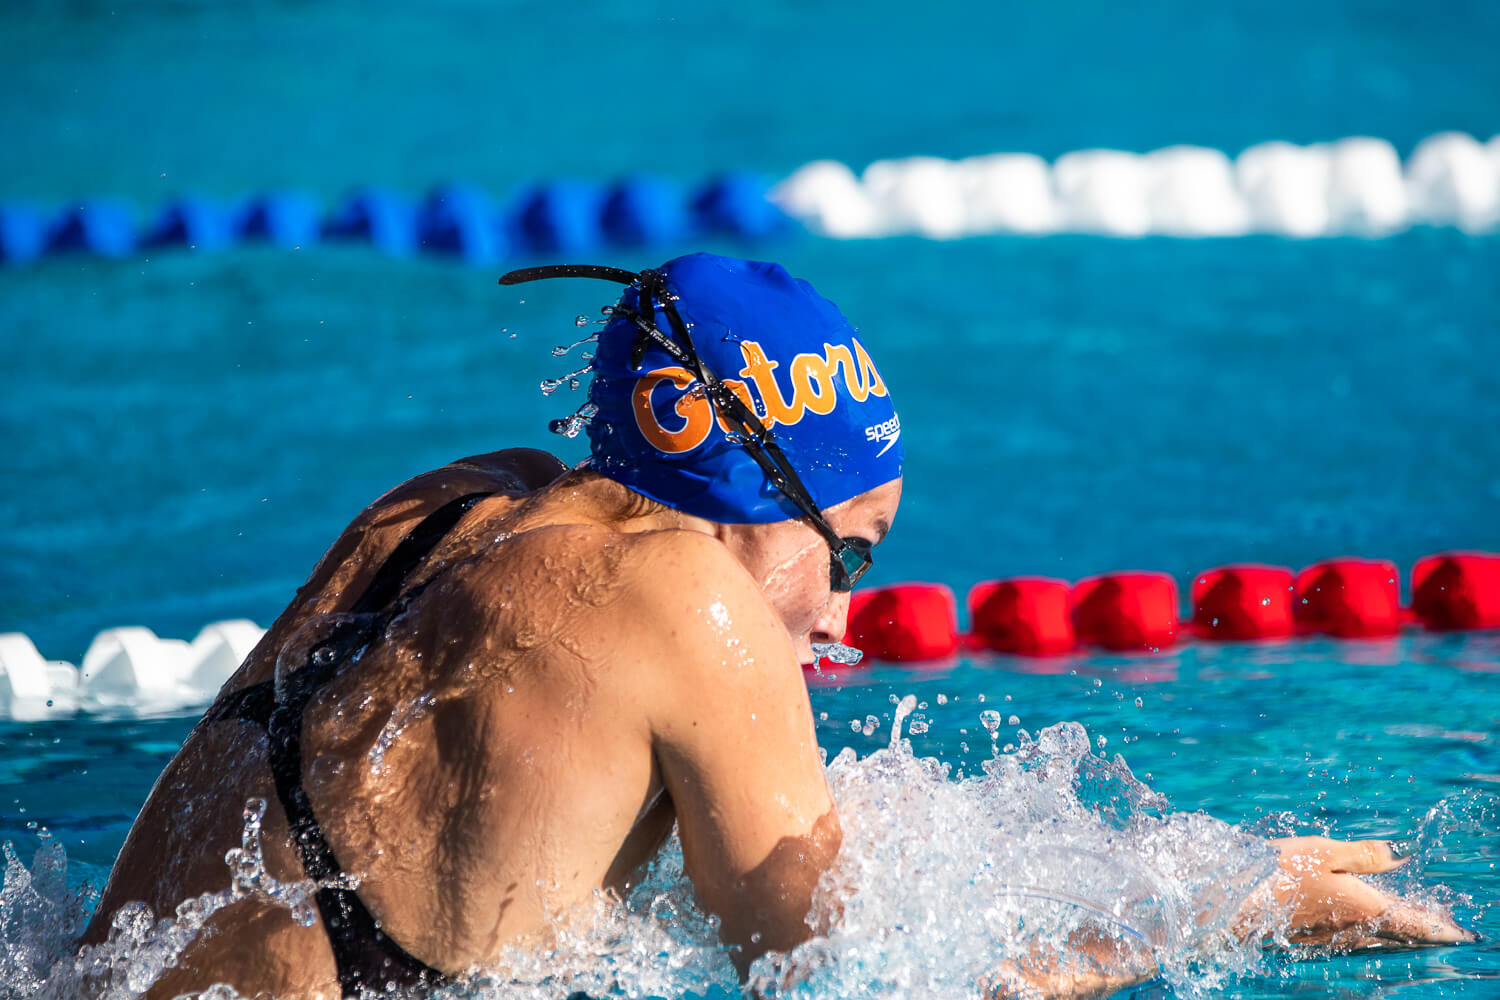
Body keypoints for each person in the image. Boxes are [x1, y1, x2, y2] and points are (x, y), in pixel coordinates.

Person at [80, 254, 1468, 1000]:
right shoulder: (689, 605)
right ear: (749, 491)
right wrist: (1215, 906)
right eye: (849, 556)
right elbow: (849, 979)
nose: (844, 617)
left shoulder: (447, 507)